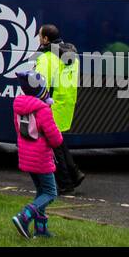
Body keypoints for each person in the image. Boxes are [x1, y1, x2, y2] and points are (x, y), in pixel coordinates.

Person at [10, 74, 64, 239]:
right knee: (50, 192)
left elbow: (18, 130)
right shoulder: (43, 110)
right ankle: (24, 216)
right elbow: (55, 138)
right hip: (41, 157)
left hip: (26, 156)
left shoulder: (19, 106)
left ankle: (41, 230)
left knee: (41, 191)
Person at [35, 23, 83, 193]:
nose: (39, 39)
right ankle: (75, 173)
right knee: (59, 142)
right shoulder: (71, 53)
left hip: (51, 106)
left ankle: (65, 183)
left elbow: (39, 84)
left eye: (40, 36)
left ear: (46, 39)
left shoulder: (47, 57)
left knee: (53, 147)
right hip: (67, 103)